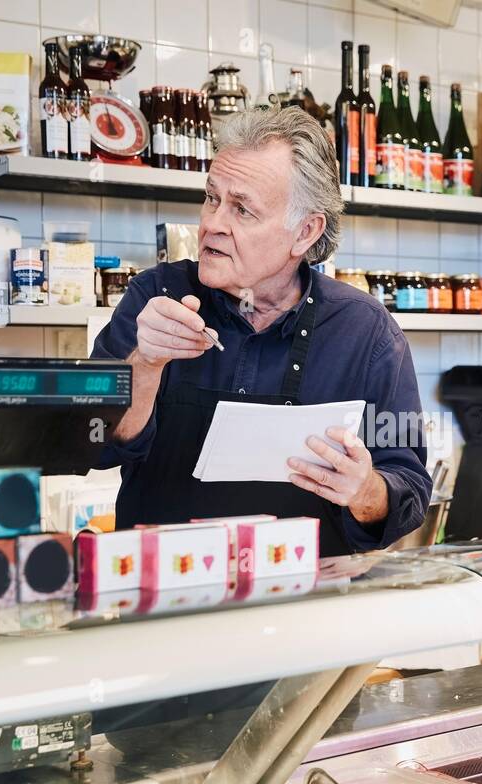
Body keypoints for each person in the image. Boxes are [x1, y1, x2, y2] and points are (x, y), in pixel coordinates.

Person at [93, 107, 431, 556]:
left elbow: (409, 492)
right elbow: (93, 441)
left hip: (308, 594)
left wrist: (364, 489)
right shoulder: (156, 296)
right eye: (212, 198)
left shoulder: (367, 332)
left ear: (305, 232)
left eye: (242, 209)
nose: (213, 224)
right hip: (164, 587)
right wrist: (146, 363)